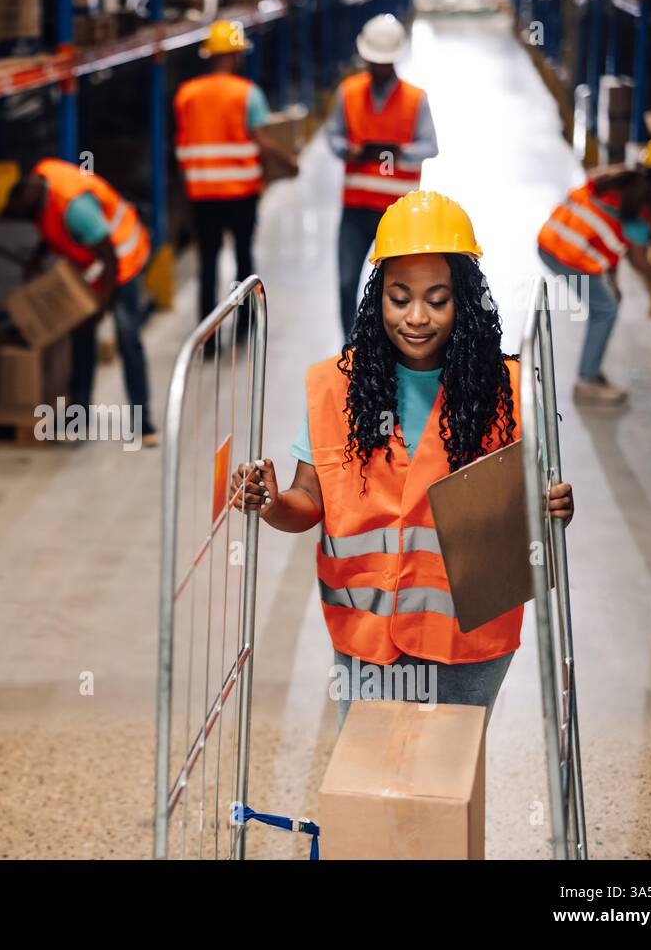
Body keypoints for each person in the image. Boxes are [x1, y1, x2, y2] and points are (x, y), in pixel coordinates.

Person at [231, 191, 574, 727]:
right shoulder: (336, 388)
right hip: (367, 633)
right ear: (377, 300)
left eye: (438, 300)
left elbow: (533, 507)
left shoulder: (506, 391)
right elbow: (307, 502)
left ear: (464, 300)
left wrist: (555, 508)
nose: (417, 317)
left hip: (470, 637)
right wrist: (272, 502)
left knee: (444, 789)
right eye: (400, 297)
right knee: (370, 787)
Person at [0, 158, 156, 446]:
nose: (16, 216)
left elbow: (108, 254)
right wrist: (36, 258)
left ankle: (143, 421)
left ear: (22, 193)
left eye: (13, 209)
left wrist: (102, 305)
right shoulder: (38, 189)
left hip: (121, 259)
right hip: (92, 262)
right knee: (80, 334)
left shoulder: (74, 208)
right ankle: (79, 415)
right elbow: (52, 226)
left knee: (127, 336)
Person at [538, 131, 651, 405]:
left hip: (558, 241)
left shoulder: (627, 182)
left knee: (608, 302)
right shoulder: (641, 206)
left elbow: (611, 241)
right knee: (606, 308)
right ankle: (587, 380)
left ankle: (590, 373)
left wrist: (611, 281)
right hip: (566, 251)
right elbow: (639, 262)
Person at [174, 19, 298, 329]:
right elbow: (261, 139)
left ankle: (207, 332)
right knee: (243, 259)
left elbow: (183, 143)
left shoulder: (186, 95)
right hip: (241, 193)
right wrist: (289, 162)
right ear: (234, 56)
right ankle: (244, 326)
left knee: (208, 263)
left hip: (202, 195)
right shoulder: (246, 94)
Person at [326, 13, 438, 341]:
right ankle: (350, 347)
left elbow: (431, 146)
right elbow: (331, 136)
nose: (379, 68)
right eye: (374, 62)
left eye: (384, 62)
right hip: (356, 208)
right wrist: (347, 149)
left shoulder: (415, 99)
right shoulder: (348, 93)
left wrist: (401, 151)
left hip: (397, 213)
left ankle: (387, 348)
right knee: (347, 282)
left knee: (396, 288)